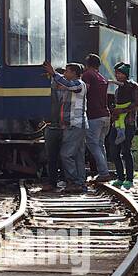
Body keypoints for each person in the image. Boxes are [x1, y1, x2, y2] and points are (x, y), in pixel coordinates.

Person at [44, 61, 89, 193]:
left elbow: (68, 84)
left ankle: (74, 181)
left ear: (74, 73)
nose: (65, 74)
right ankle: (80, 182)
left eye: (67, 71)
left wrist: (53, 73)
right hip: (75, 125)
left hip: (76, 124)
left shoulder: (78, 84)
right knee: (78, 155)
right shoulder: (73, 86)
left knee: (66, 154)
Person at [81, 54, 114, 182]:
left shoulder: (88, 75)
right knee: (100, 144)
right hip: (105, 115)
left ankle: (104, 172)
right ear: (98, 65)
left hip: (94, 115)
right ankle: (103, 170)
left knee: (93, 143)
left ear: (87, 64)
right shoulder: (101, 77)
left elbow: (83, 91)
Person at [110, 63, 138, 189]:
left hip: (128, 123)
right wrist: (114, 113)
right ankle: (120, 177)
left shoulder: (134, 88)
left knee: (126, 150)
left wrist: (122, 111)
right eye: (117, 73)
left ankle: (129, 178)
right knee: (114, 150)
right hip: (116, 124)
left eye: (121, 73)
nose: (118, 76)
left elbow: (136, 104)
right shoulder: (117, 91)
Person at [44, 65, 68, 191]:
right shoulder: (48, 93)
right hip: (53, 126)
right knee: (52, 156)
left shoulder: (70, 91)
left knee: (65, 155)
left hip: (65, 126)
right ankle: (52, 181)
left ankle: (65, 179)